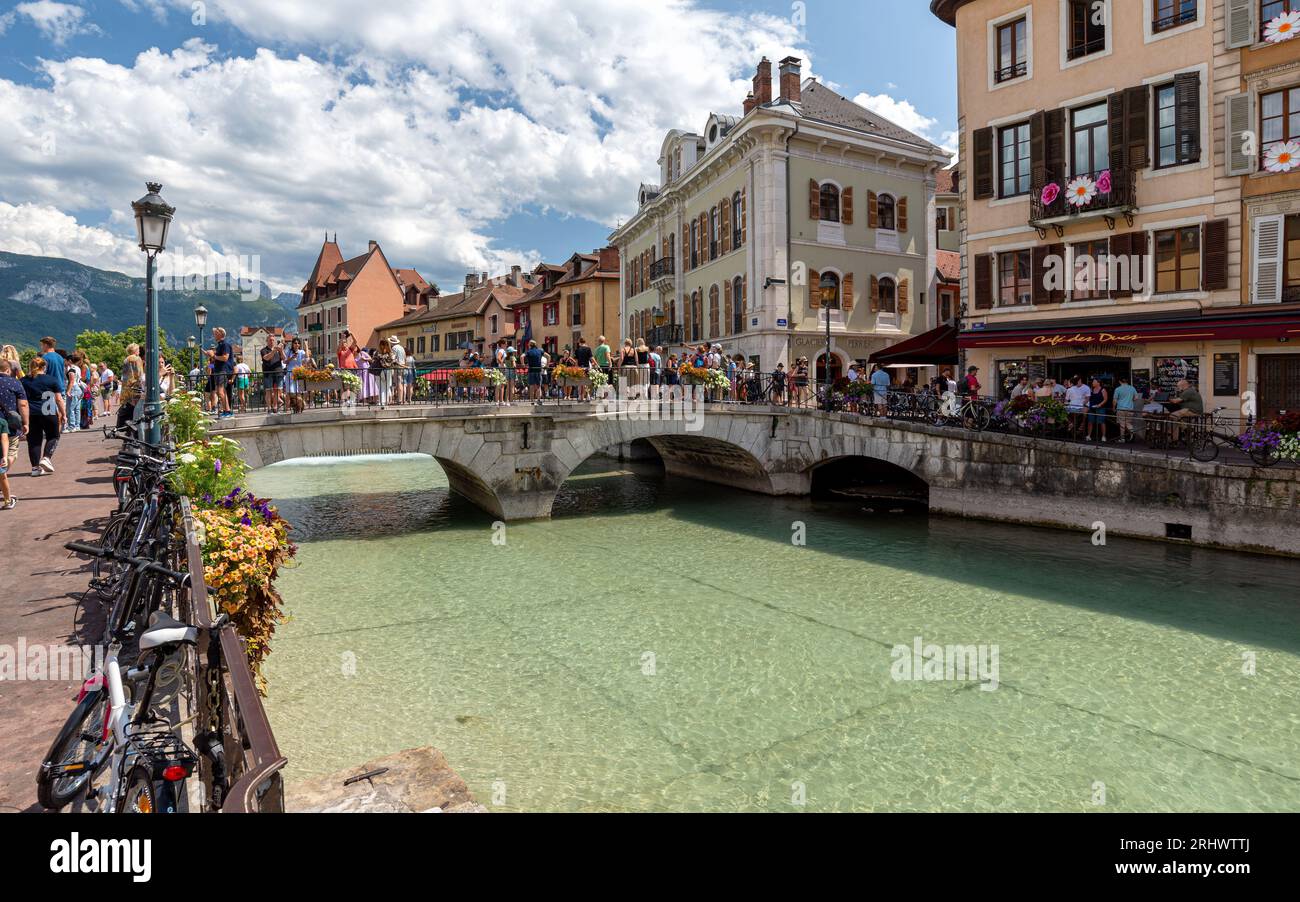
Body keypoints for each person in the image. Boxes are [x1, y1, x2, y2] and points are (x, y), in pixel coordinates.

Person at [20, 355, 64, 477]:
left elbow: (21, 400)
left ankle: (35, 468)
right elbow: (59, 399)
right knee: (54, 436)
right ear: (44, 367)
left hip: (31, 414)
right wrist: (63, 413)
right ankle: (46, 457)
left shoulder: (23, 381)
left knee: (33, 441)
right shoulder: (52, 380)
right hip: (48, 412)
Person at [0, 358, 28, 486]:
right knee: (11, 452)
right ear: (7, 370)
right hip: (10, 424)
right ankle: (2, 475)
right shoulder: (15, 383)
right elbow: (23, 404)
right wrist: (26, 423)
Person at [204, 327, 234, 418]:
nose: (214, 335)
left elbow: (225, 358)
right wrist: (209, 356)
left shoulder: (225, 344)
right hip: (216, 372)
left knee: (220, 392)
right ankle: (226, 410)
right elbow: (212, 364)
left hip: (222, 371)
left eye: (216, 333)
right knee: (219, 392)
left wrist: (213, 355)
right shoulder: (219, 346)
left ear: (221, 334)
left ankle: (227, 411)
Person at [117, 344, 145, 431]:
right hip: (135, 387)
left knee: (128, 407)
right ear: (135, 350)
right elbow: (139, 374)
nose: (139, 351)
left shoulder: (126, 359)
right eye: (138, 349)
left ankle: (128, 429)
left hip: (126, 388)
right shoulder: (137, 359)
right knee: (136, 411)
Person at [1167, 378, 1204, 444]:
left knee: (1173, 416)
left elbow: (1176, 401)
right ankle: (1177, 437)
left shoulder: (1188, 391)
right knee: (1175, 420)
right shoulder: (1188, 391)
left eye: (1178, 386)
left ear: (1183, 385)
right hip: (1191, 410)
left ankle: (1184, 431)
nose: (1177, 388)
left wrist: (1167, 398)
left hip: (1192, 410)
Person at [260, 335, 286, 413]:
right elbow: (267, 358)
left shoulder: (278, 350)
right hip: (268, 373)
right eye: (270, 340)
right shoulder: (264, 350)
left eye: (273, 340)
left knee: (277, 391)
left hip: (278, 372)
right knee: (268, 391)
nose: (272, 342)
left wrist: (281, 350)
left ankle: (275, 407)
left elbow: (284, 358)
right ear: (267, 341)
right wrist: (274, 350)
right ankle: (269, 408)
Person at [1113, 375, 1140, 443]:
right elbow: (1136, 397)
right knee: (1128, 423)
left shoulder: (1118, 389)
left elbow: (1115, 400)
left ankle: (1122, 439)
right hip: (1130, 408)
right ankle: (1132, 432)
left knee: (1122, 424)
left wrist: (1113, 407)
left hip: (1121, 408)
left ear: (1120, 381)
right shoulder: (1132, 388)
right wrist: (1131, 400)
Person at [1086, 378, 1109, 442]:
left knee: (1102, 422)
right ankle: (1089, 435)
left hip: (1100, 408)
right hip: (1092, 407)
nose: (1092, 383)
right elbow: (1088, 398)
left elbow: (1105, 399)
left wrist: (1100, 405)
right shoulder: (1091, 389)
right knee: (1090, 422)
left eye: (1094, 381)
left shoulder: (1103, 390)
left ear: (1098, 383)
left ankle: (1103, 436)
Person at [524, 340, 545, 404]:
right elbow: (548, 356)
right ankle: (538, 400)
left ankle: (532, 401)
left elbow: (522, 356)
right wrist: (546, 365)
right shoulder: (540, 350)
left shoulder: (528, 351)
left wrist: (523, 365)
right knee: (538, 386)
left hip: (531, 370)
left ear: (530, 345)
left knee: (531, 386)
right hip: (538, 370)